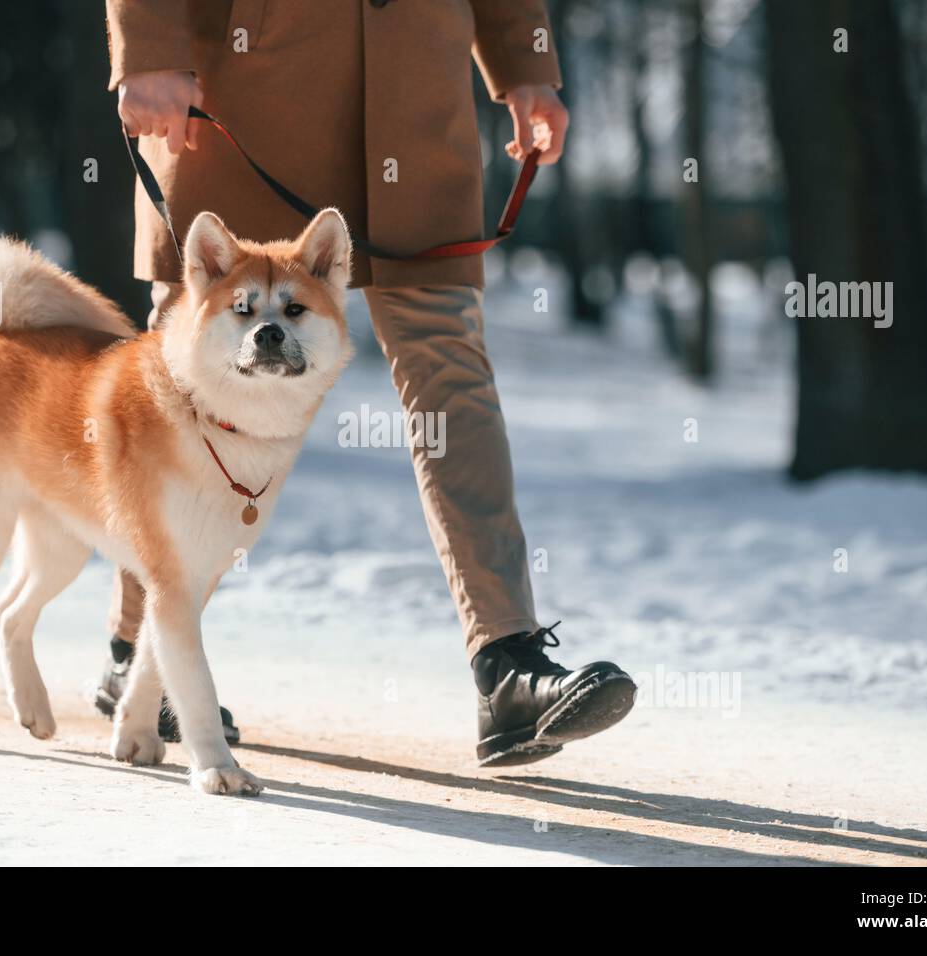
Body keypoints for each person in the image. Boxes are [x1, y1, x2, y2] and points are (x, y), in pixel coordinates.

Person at [97, 0, 636, 766]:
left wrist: (525, 64)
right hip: (244, 89)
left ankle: (506, 664)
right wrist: (148, 44)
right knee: (179, 394)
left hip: (414, 104)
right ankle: (138, 656)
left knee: (453, 368)